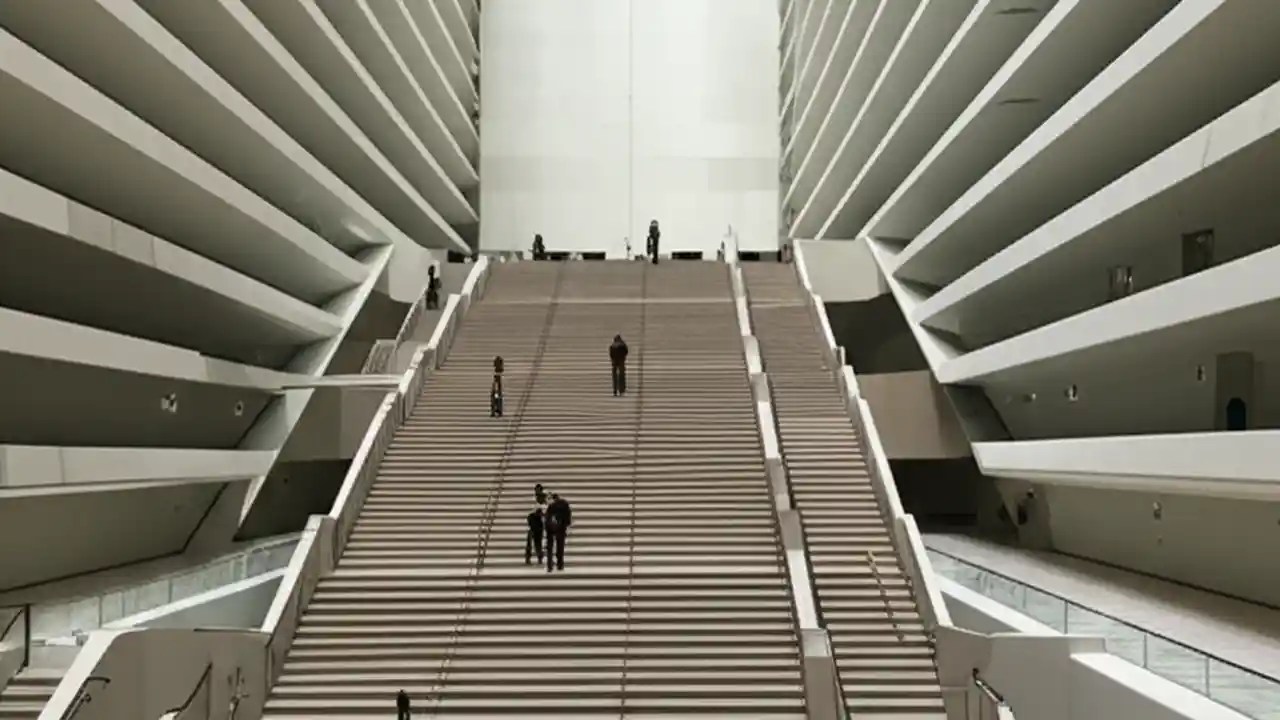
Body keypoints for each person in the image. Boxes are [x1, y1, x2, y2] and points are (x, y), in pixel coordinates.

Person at [545, 493, 572, 572]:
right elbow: (568, 515)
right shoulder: (564, 504)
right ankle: (560, 564)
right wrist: (567, 525)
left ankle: (549, 565)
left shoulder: (551, 505)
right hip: (561, 527)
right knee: (560, 546)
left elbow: (547, 516)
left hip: (550, 527)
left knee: (550, 547)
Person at [525, 498, 545, 565]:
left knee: (538, 546)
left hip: (537, 532)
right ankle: (528, 558)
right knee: (530, 546)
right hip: (533, 531)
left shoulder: (539, 518)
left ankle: (539, 558)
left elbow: (542, 526)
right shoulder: (532, 516)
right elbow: (529, 523)